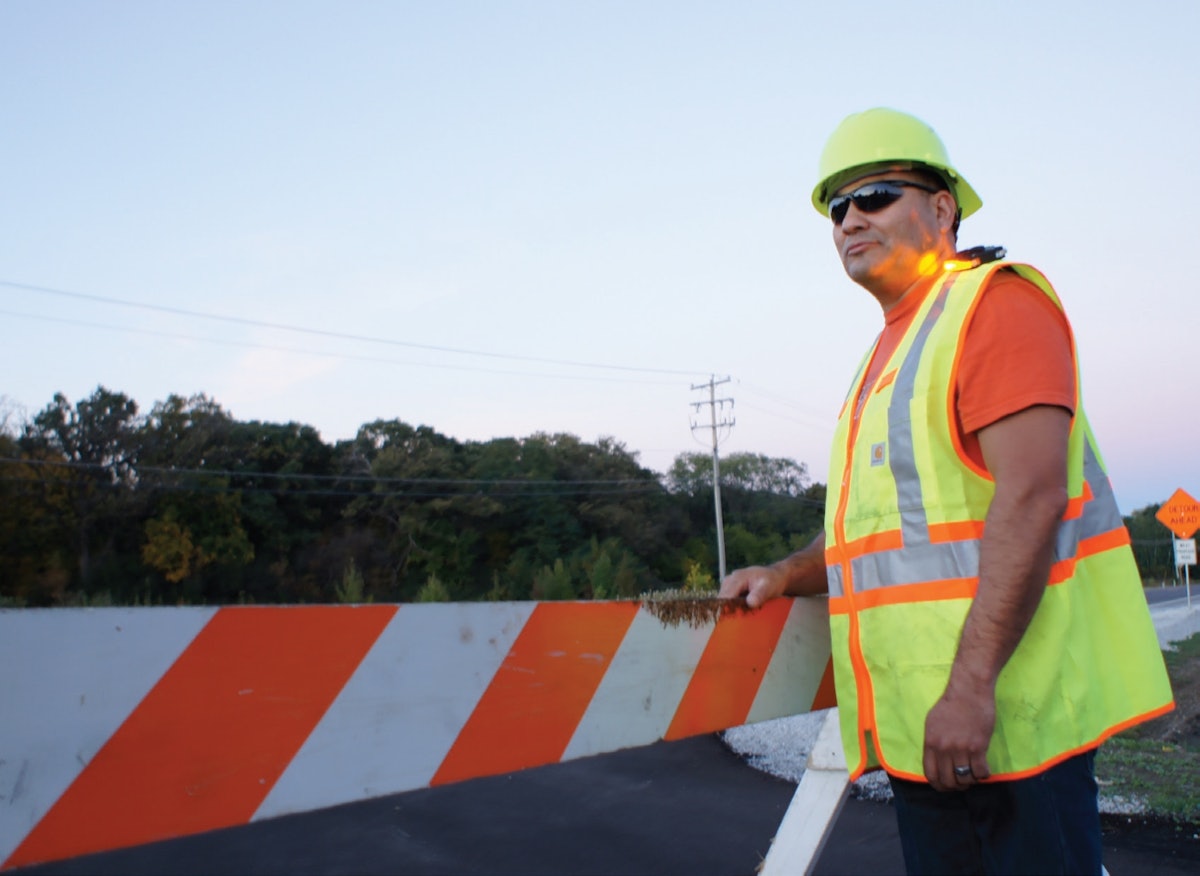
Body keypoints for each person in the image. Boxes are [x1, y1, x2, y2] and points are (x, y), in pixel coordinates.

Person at [720, 107, 1174, 875]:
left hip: (1005, 732)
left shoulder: (993, 306)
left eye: (876, 196)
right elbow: (877, 535)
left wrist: (969, 693)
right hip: (924, 741)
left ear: (941, 209)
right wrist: (787, 575)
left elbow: (1032, 497)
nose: (850, 219)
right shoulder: (890, 351)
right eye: (837, 207)